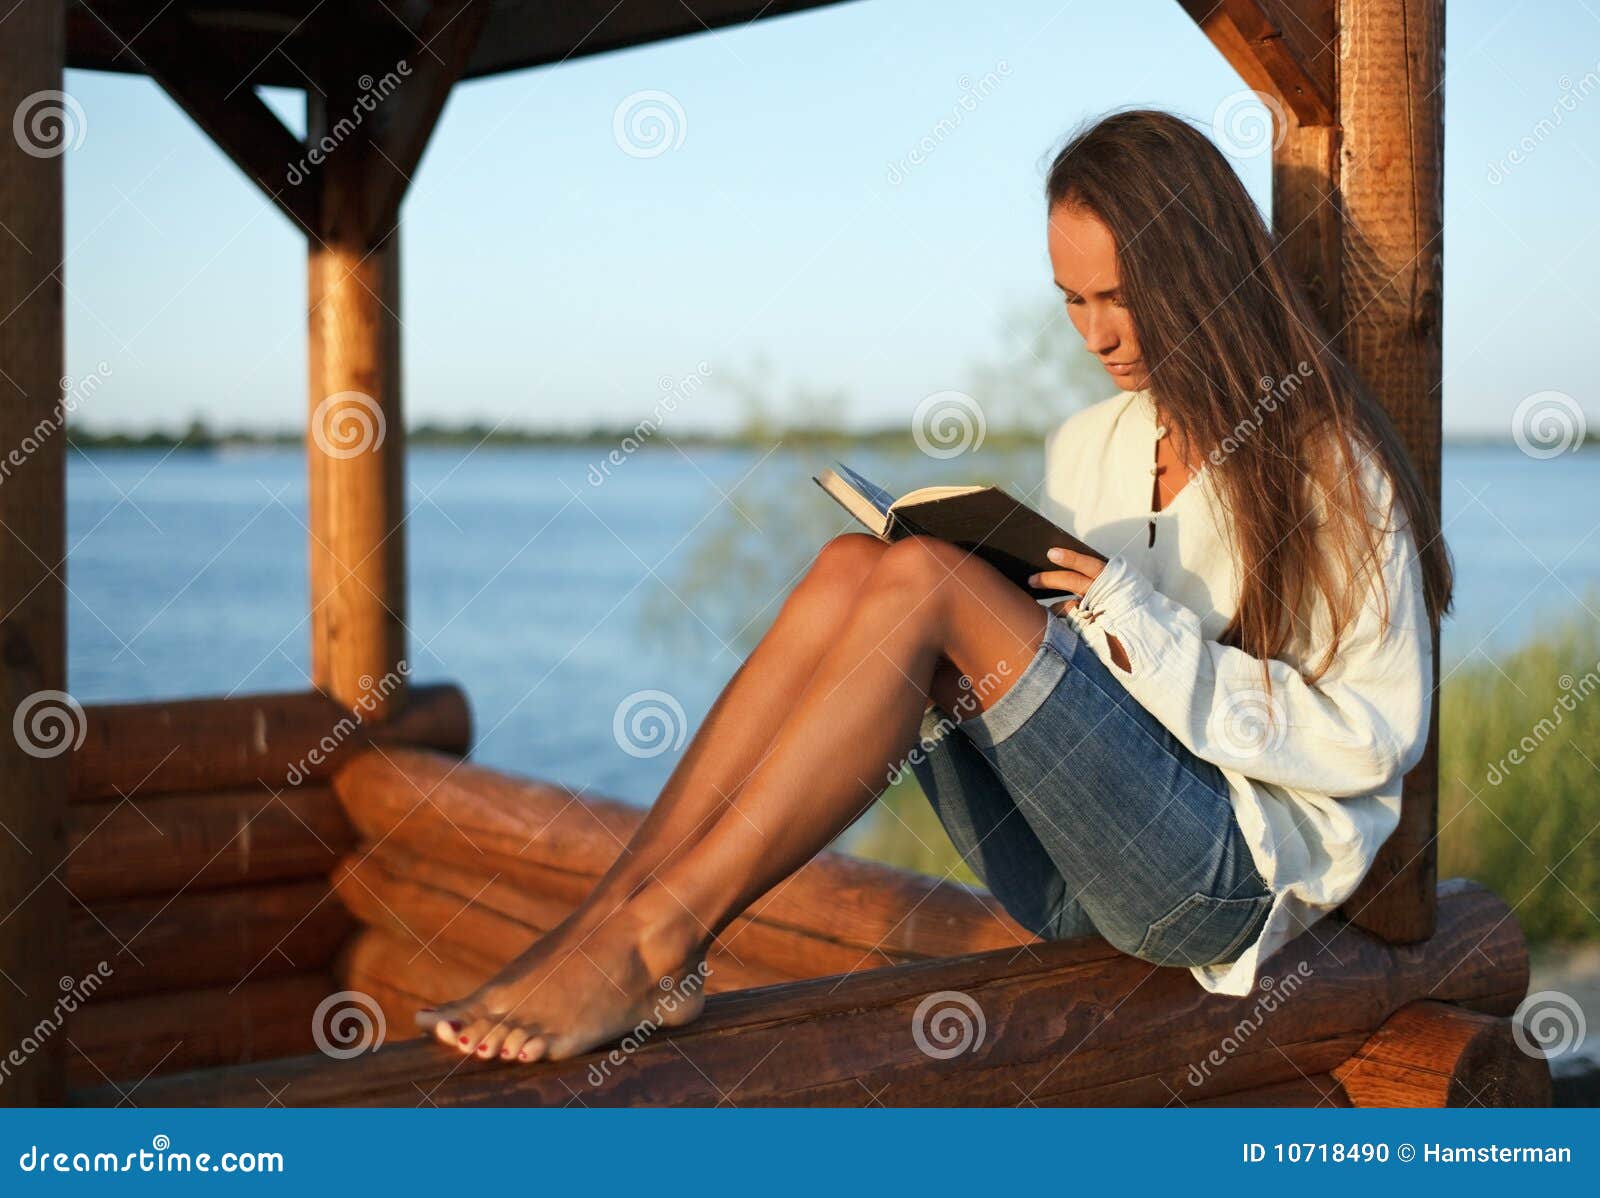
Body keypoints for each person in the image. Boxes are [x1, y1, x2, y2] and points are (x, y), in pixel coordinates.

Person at [418, 108, 1453, 1064]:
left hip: (1221, 884)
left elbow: (1374, 740)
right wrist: (1048, 621)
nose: (1095, 335)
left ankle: (653, 942)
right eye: (1073, 303)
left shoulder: (1330, 467)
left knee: (920, 582)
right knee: (851, 569)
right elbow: (1086, 699)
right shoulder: (1092, 444)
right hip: (1072, 867)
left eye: (1119, 299)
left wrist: (1127, 618)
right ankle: (609, 918)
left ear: (1199, 275)